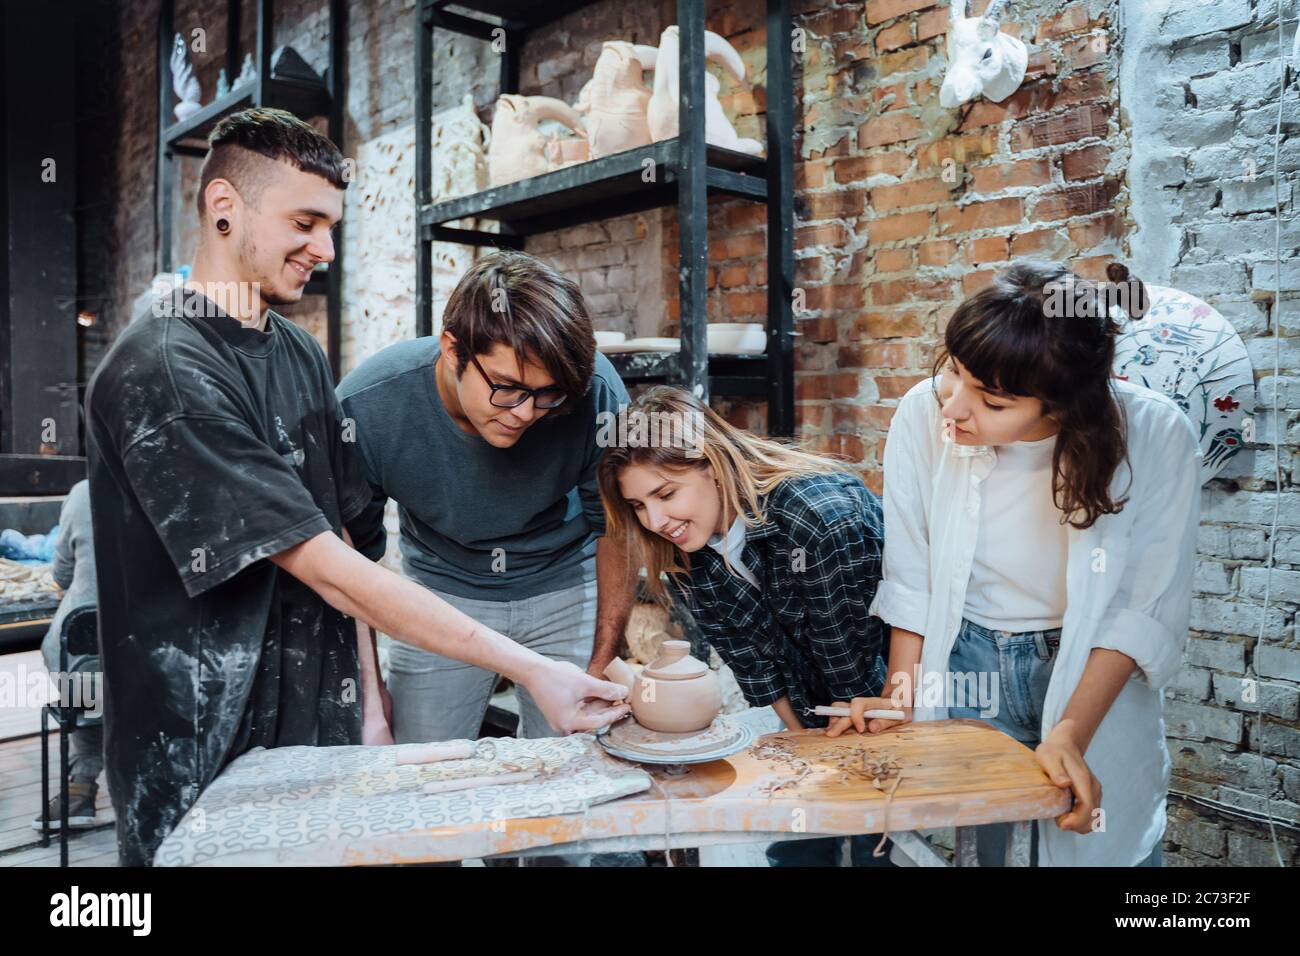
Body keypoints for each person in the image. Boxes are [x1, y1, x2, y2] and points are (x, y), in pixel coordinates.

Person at [86, 108, 628, 866]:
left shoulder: (299, 354)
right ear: (222, 208)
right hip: (199, 733)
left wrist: (372, 710)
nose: (325, 249)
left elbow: (345, 538)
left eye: (332, 226)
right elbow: (319, 561)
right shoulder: (165, 368)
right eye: (304, 222)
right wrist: (531, 668)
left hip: (310, 718)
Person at [855, 260, 1200, 866]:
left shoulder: (1154, 433)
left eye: (991, 400)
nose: (955, 410)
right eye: (955, 375)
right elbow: (912, 572)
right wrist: (899, 692)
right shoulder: (921, 413)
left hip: (1088, 671)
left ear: (1063, 409)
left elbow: (1139, 609)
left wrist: (1070, 731)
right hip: (968, 662)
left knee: (1098, 843)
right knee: (992, 850)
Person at [338, 250, 635, 746]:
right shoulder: (368, 406)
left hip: (563, 586)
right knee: (421, 771)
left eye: (548, 396)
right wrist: (372, 701)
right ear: (453, 350)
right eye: (508, 388)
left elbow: (617, 528)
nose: (525, 413)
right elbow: (348, 563)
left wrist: (603, 659)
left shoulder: (594, 391)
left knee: (576, 768)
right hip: (441, 600)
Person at [596, 386, 891, 866]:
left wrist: (834, 777)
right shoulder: (689, 549)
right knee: (798, 846)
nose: (655, 520)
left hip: (892, 700)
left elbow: (852, 673)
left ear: (711, 463)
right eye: (638, 506)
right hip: (822, 717)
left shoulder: (816, 518)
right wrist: (800, 748)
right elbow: (755, 668)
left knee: (862, 843)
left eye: (665, 494)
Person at [31, 479, 102, 830]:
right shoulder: (176, 489)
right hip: (156, 653)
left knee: (86, 674)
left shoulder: (85, 493)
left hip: (85, 651)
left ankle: (79, 791)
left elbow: (61, 572)